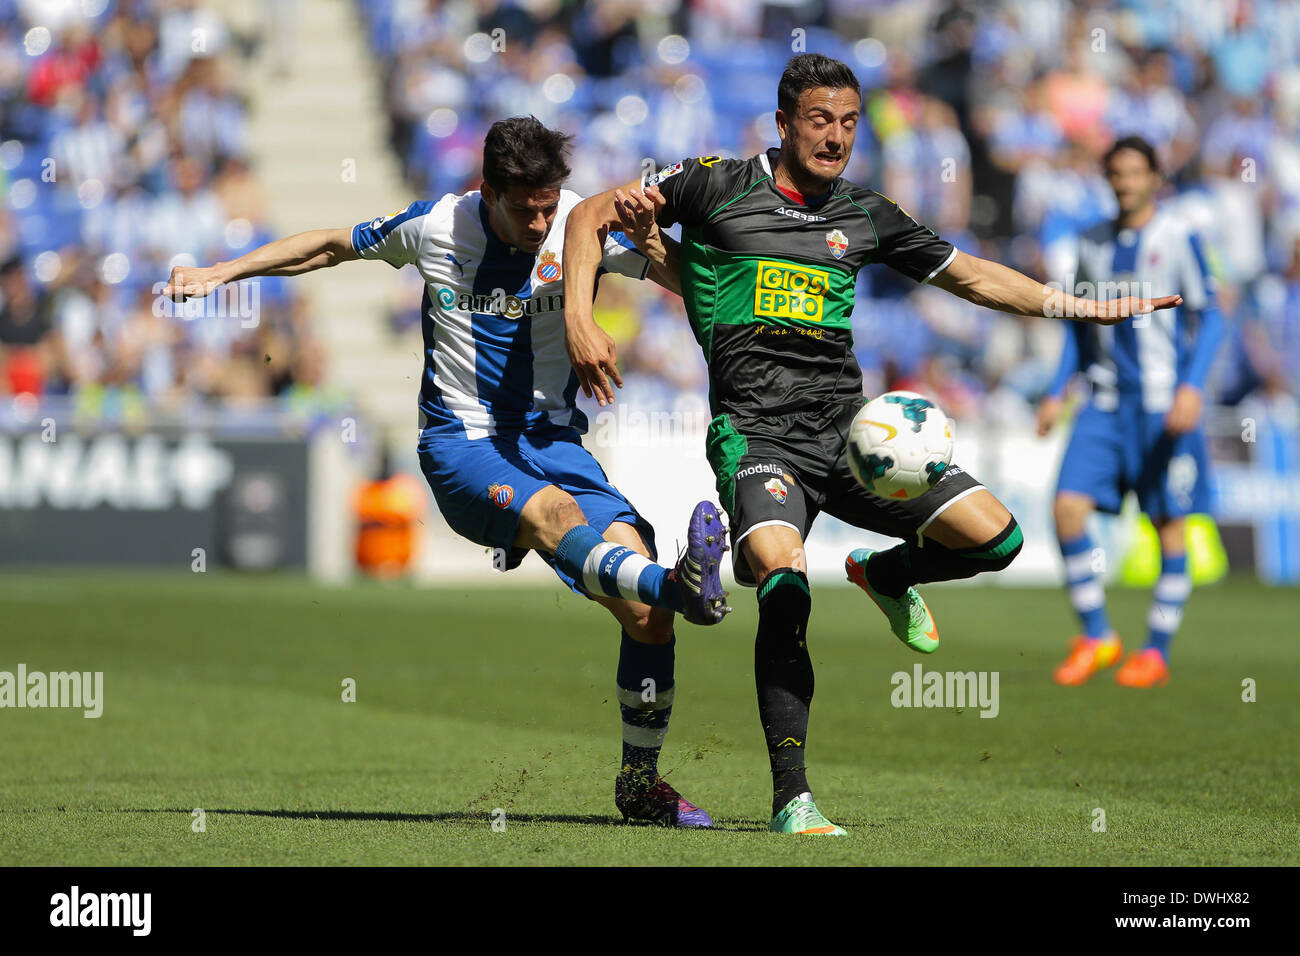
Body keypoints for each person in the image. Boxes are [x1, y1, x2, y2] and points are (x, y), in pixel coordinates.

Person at [562, 55, 1181, 835]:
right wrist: (583, 318)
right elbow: (589, 215)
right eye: (821, 120)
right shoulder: (713, 184)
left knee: (1000, 540)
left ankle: (886, 573)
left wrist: (1077, 308)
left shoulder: (864, 213)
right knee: (784, 586)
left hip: (853, 437)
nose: (837, 138)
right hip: (758, 434)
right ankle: (793, 798)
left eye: (850, 123)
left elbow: (976, 278)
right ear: (783, 122)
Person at [162, 116, 730, 827]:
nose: (539, 220)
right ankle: (681, 583)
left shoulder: (577, 229)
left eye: (549, 205)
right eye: (523, 206)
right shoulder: (437, 226)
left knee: (646, 619)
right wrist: (221, 272)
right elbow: (332, 245)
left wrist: (651, 245)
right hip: (463, 445)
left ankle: (640, 783)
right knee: (559, 517)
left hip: (555, 443)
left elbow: (693, 287)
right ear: (485, 189)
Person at [1037, 135, 1224, 689]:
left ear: (1154, 179)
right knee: (1066, 508)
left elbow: (1211, 318)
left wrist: (1193, 387)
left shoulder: (1178, 236)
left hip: (1164, 404)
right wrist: (1055, 390)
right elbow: (1079, 323)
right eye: (1116, 173)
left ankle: (1157, 650)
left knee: (1168, 524)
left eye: (1135, 173)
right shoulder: (1090, 242)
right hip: (1102, 402)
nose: (1124, 182)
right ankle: (1097, 635)